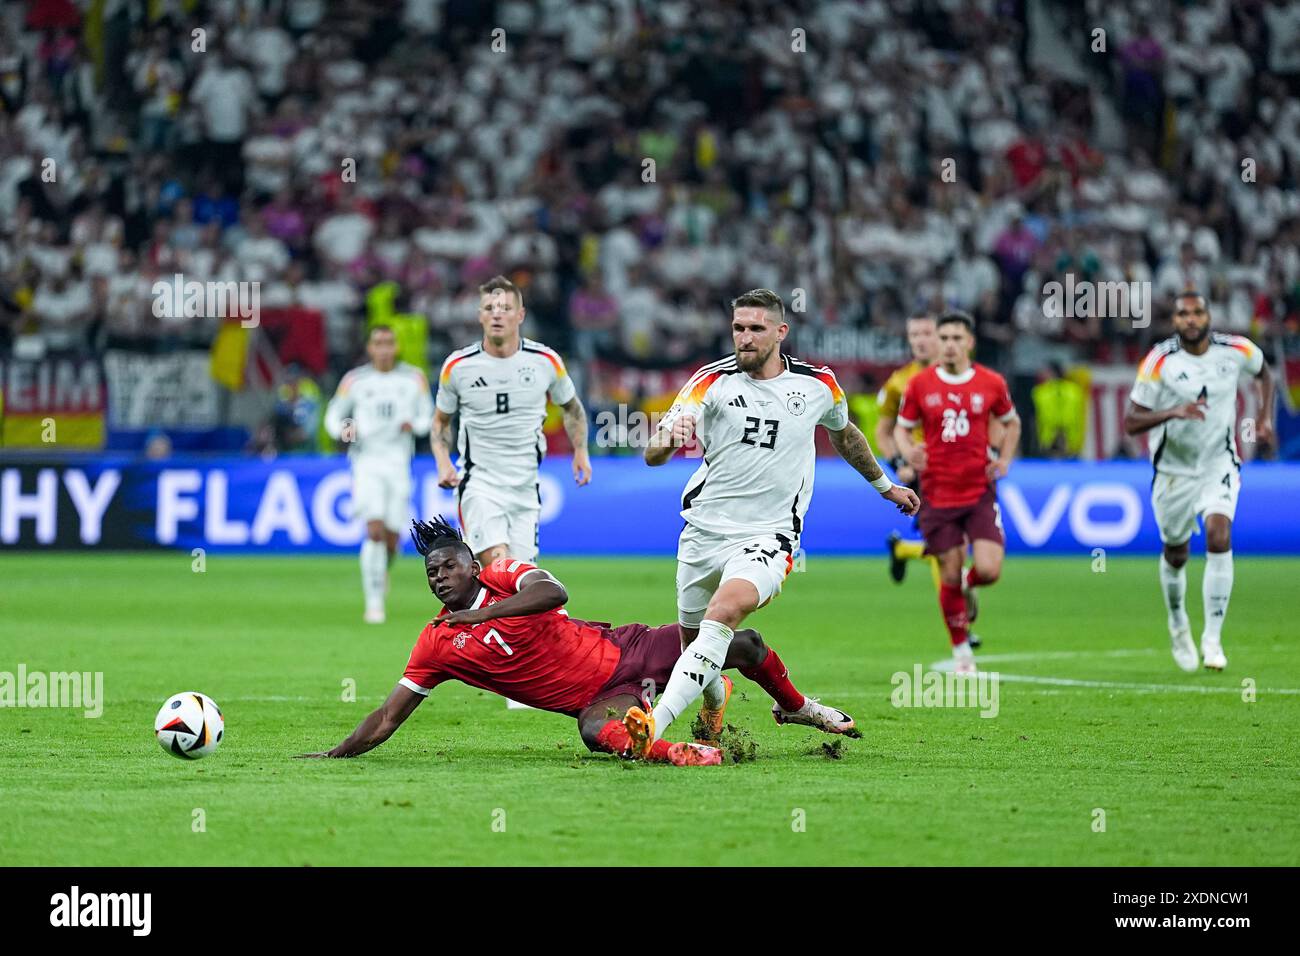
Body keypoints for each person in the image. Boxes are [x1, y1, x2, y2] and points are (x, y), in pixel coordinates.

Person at [624, 288, 920, 755]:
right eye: (739, 328)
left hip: (769, 535)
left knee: (724, 614)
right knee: (695, 647)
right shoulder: (710, 381)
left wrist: (886, 487)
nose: (745, 338)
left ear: (780, 332)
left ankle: (652, 725)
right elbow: (654, 452)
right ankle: (720, 697)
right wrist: (667, 438)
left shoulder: (817, 384)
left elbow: (845, 436)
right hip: (703, 531)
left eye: (756, 329)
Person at [299, 519, 854, 766]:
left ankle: (799, 708)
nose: (439, 577)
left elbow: (553, 590)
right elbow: (388, 716)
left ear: (472, 563)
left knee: (747, 641)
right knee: (595, 733)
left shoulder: (506, 574)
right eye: (431, 574)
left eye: (448, 566)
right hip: (597, 698)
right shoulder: (438, 642)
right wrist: (336, 753)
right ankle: (674, 751)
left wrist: (483, 614)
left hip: (628, 649)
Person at [1123, 292, 1274, 672]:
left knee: (1219, 536)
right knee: (1176, 554)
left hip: (1218, 462)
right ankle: (1178, 622)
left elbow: (1265, 373)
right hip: (1173, 472)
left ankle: (1213, 639)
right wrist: (1174, 411)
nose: (1191, 320)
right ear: (1174, 321)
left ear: (1208, 316)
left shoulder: (1236, 350)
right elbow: (1131, 422)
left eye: (1197, 312)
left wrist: (1265, 417)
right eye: (1183, 314)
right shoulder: (1160, 361)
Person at [431, 275, 591, 565]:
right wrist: (443, 460)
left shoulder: (545, 361)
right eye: (490, 308)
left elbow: (573, 409)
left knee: (522, 582)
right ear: (479, 315)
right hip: (479, 483)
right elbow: (441, 422)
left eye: (505, 308)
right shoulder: (458, 366)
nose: (496, 314)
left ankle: (478, 611)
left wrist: (580, 450)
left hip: (526, 488)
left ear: (520, 315)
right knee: (498, 563)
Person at [894, 311, 1021, 674]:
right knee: (948, 573)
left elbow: (1012, 422)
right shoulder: (919, 386)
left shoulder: (991, 382)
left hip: (979, 490)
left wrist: (1005, 459)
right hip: (937, 493)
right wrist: (908, 452)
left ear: (969, 342)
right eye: (944, 338)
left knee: (989, 569)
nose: (949, 345)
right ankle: (962, 650)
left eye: (956, 338)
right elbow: (903, 430)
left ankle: (970, 582)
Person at [324, 325, 433, 624]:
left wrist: (417, 425)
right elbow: (334, 415)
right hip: (366, 462)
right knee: (373, 530)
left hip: (399, 464)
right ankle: (374, 604)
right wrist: (345, 429)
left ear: (395, 347)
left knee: (392, 539)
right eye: (378, 343)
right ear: (370, 348)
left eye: (388, 343)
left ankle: (381, 570)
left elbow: (427, 414)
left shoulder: (413, 379)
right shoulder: (355, 380)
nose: (384, 349)